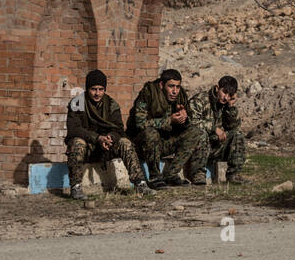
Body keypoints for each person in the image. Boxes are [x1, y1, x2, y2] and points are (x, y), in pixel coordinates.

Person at [65, 69, 153, 199]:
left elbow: (118, 129)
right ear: (88, 88)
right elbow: (74, 129)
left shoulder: (111, 104)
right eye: (94, 89)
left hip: (107, 146)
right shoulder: (78, 103)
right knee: (77, 142)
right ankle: (76, 187)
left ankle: (140, 183)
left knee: (125, 142)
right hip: (88, 146)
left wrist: (109, 138)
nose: (97, 93)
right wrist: (97, 138)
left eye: (101, 89)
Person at [128, 68, 208, 188]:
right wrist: (169, 120)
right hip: (143, 145)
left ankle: (172, 174)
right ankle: (155, 177)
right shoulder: (148, 93)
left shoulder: (180, 95)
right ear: (161, 85)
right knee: (151, 133)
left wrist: (184, 118)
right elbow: (140, 124)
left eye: (177, 87)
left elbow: (189, 121)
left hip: (164, 142)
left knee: (196, 132)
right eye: (171, 86)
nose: (175, 91)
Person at [190, 74, 247, 184]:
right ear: (217, 88)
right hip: (195, 147)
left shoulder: (226, 104)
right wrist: (213, 128)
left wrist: (231, 108)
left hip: (214, 147)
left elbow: (233, 127)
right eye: (224, 92)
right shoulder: (200, 100)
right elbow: (191, 123)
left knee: (237, 134)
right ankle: (198, 175)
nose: (226, 97)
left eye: (229, 95)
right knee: (201, 133)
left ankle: (233, 175)